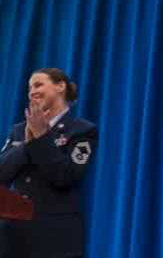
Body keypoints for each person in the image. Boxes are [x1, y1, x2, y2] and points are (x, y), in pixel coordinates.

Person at [0, 68, 98, 258]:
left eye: (38, 84)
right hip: (13, 238)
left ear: (60, 86)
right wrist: (27, 145)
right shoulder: (18, 130)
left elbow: (65, 176)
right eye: (29, 88)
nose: (32, 92)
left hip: (56, 240)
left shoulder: (82, 130)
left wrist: (40, 138)